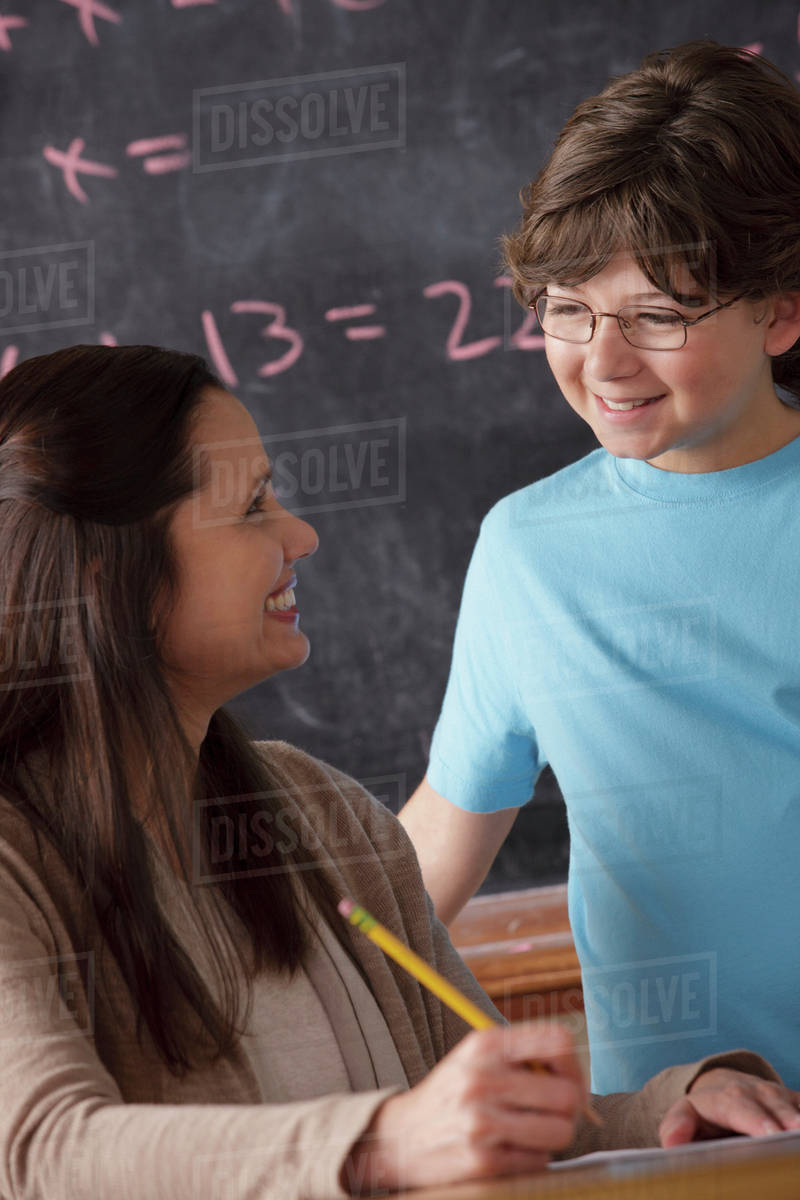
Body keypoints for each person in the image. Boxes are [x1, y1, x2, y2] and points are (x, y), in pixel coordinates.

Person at [0, 344, 796, 1200]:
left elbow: (512, 1122)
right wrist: (381, 1145)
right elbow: (42, 1152)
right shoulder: (19, 859)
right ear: (101, 580)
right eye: (251, 508)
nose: (301, 535)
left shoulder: (317, 811)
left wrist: (676, 1107)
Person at [398, 37, 800, 1098]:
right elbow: (444, 830)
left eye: (657, 316)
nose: (602, 361)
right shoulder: (528, 550)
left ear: (780, 307)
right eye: (566, 312)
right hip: (675, 1132)